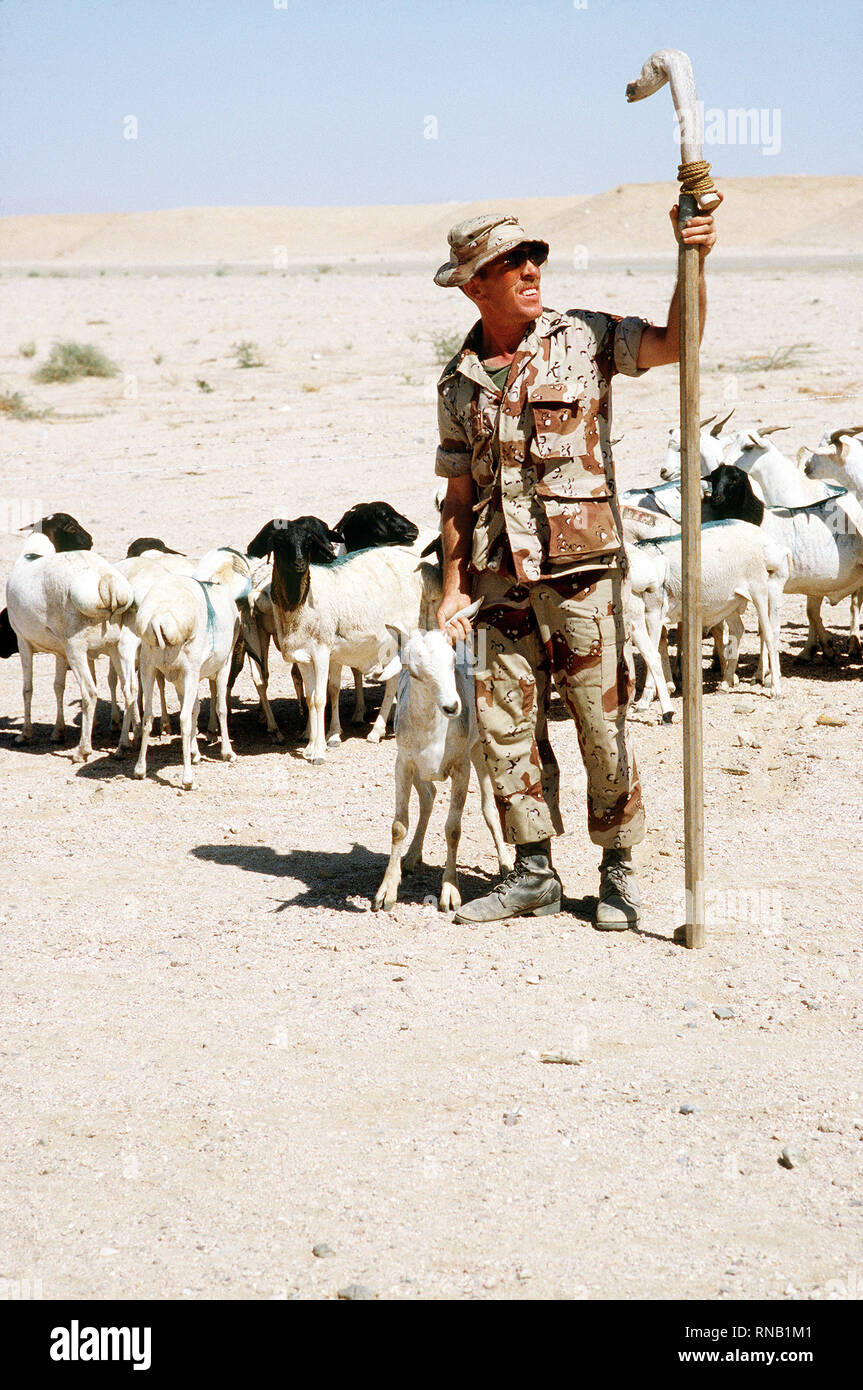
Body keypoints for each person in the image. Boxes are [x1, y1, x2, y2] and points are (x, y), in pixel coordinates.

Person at [433, 198, 720, 928]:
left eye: (534, 259)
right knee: (506, 727)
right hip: (499, 579)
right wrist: (452, 586)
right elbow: (457, 491)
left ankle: (618, 870)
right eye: (509, 263)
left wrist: (695, 257)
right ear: (474, 284)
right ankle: (533, 872)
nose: (530, 271)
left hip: (582, 570)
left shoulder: (584, 338)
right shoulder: (458, 381)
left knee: (601, 723)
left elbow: (677, 340)